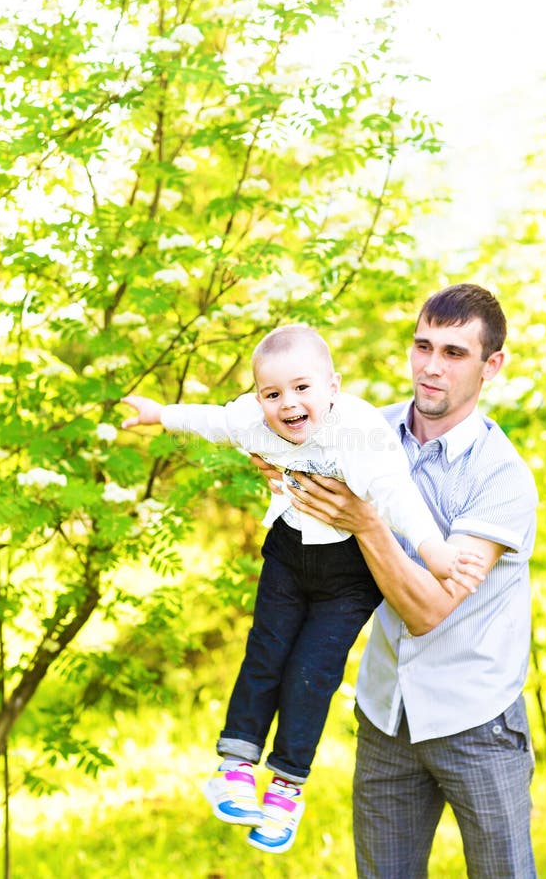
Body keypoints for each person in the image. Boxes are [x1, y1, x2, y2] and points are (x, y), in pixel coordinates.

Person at [120, 323, 485, 855]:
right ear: (259, 397)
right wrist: (159, 414)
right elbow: (213, 420)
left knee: (312, 674)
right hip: (290, 555)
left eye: (302, 388)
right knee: (265, 653)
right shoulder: (252, 419)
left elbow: (396, 495)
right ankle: (237, 766)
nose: (287, 404)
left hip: (349, 576)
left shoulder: (360, 433)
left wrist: (435, 552)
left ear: (333, 387)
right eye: (272, 394)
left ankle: (287, 786)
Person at [254, 285, 538, 877]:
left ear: (493, 366)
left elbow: (428, 610)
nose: (431, 367)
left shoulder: (503, 478)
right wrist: (278, 468)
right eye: (422, 345)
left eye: (455, 353)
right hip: (386, 713)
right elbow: (277, 426)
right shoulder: (359, 432)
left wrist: (364, 521)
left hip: (477, 719)